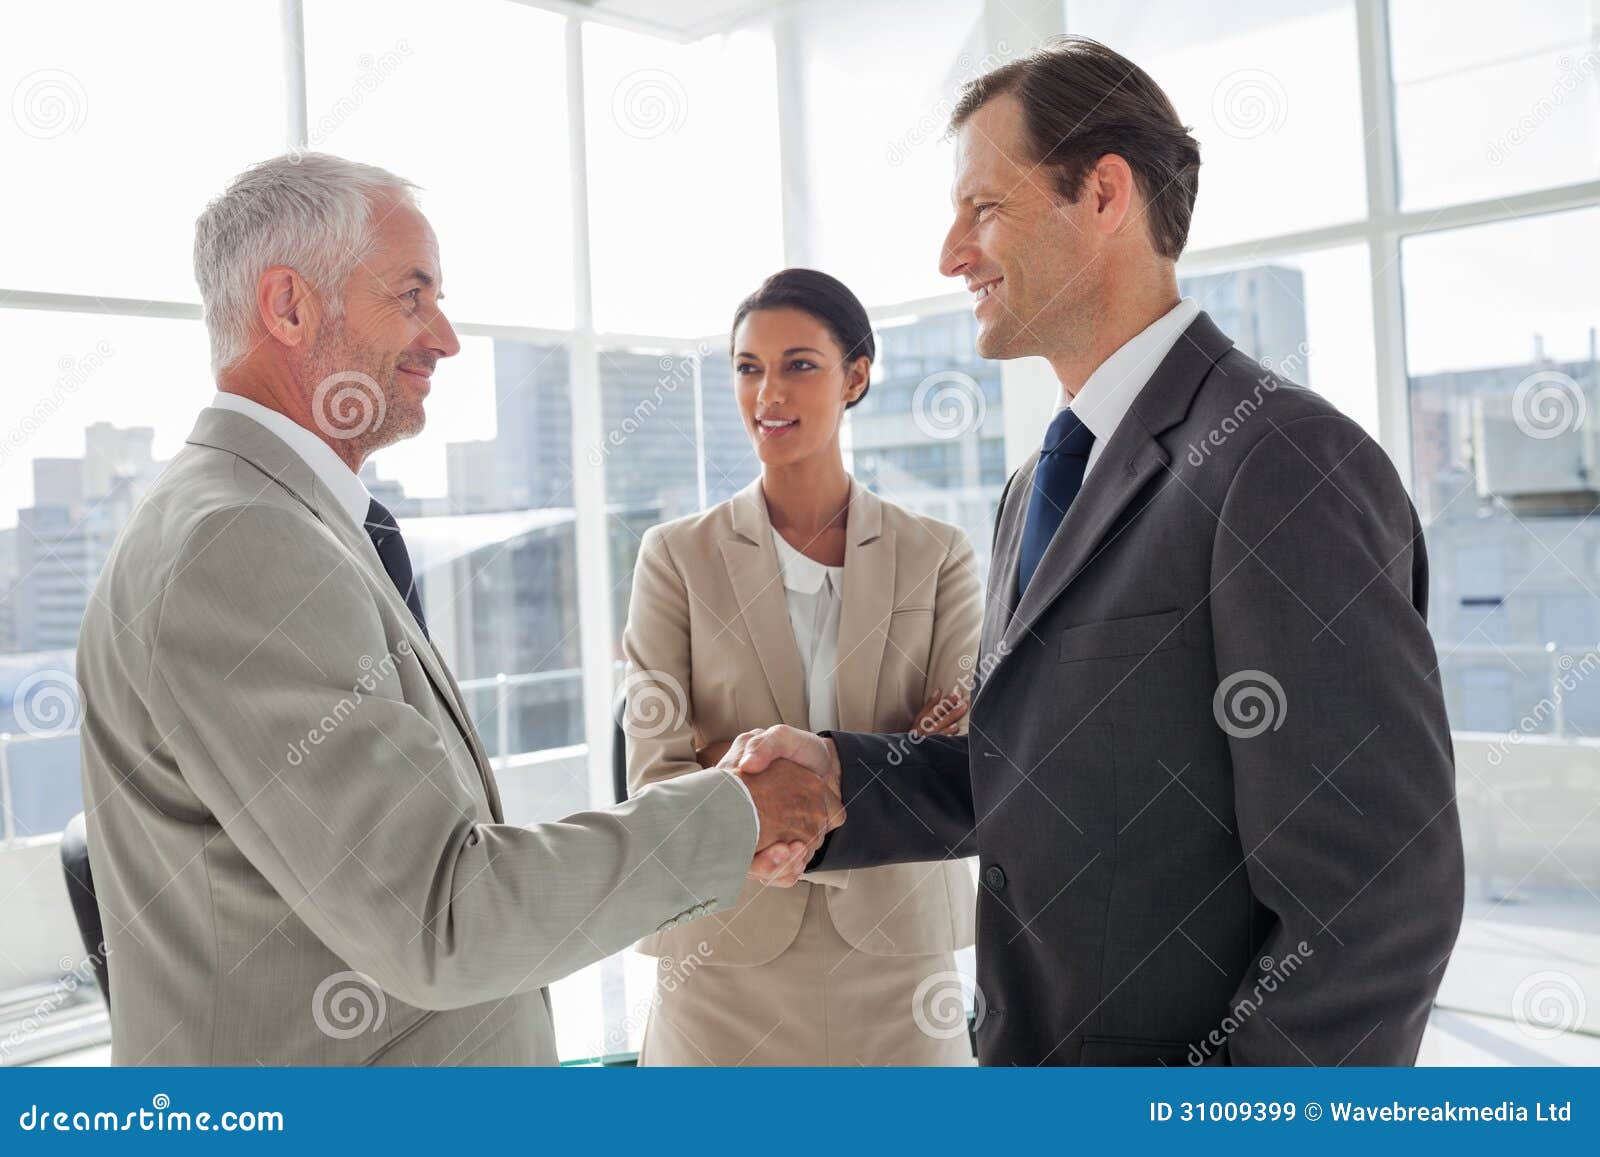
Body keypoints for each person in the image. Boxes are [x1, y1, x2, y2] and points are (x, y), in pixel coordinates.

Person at [737, 37, 1465, 1066]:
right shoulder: (1036, 485)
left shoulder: (1281, 462)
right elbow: (1032, 776)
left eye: (982, 208)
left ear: (1105, 194)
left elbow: (1376, 904)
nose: (951, 254)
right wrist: (838, 775)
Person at [74, 154, 838, 1065]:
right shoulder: (238, 542)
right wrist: (738, 812)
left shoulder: (276, 521)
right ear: (288, 307)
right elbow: (441, 916)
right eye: (412, 296)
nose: (444, 337)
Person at [621, 269, 980, 1065]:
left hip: (899, 960)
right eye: (749, 367)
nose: (768, 393)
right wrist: (870, 760)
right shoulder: (675, 557)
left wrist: (740, 762)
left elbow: (960, 758)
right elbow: (656, 770)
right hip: (721, 956)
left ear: (855, 375)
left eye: (799, 365)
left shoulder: (938, 555)